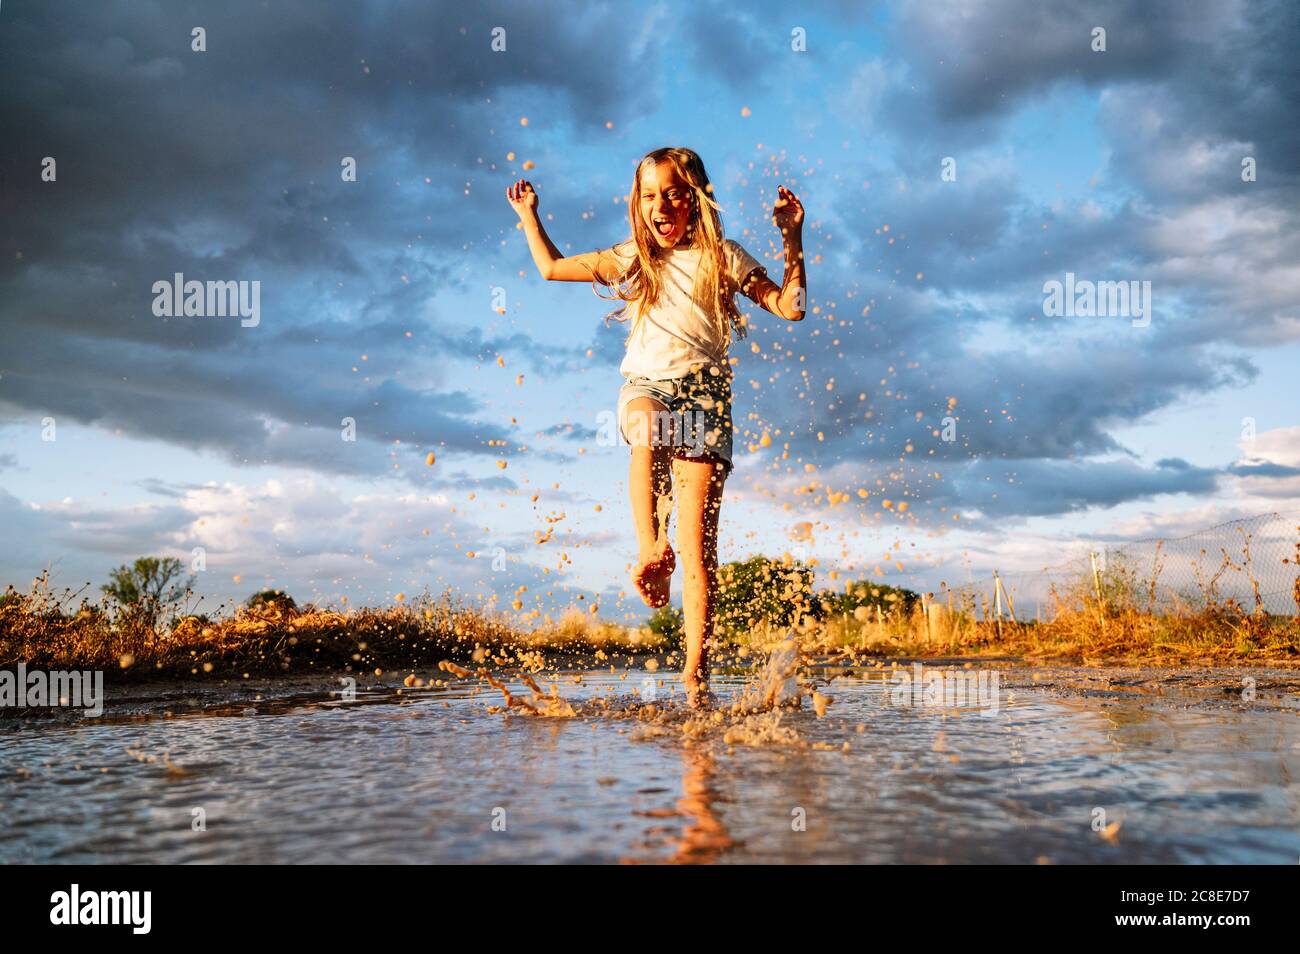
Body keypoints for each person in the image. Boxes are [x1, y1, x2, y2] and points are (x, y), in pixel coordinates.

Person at [506, 146, 806, 706]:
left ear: (695, 199)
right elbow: (551, 268)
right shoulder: (635, 257)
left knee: (700, 548)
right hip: (650, 385)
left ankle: (695, 674)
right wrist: (530, 217)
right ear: (637, 204)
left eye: (672, 193)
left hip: (707, 395)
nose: (660, 204)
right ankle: (650, 551)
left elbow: (791, 307)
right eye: (649, 194)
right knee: (646, 429)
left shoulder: (725, 257)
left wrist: (792, 241)